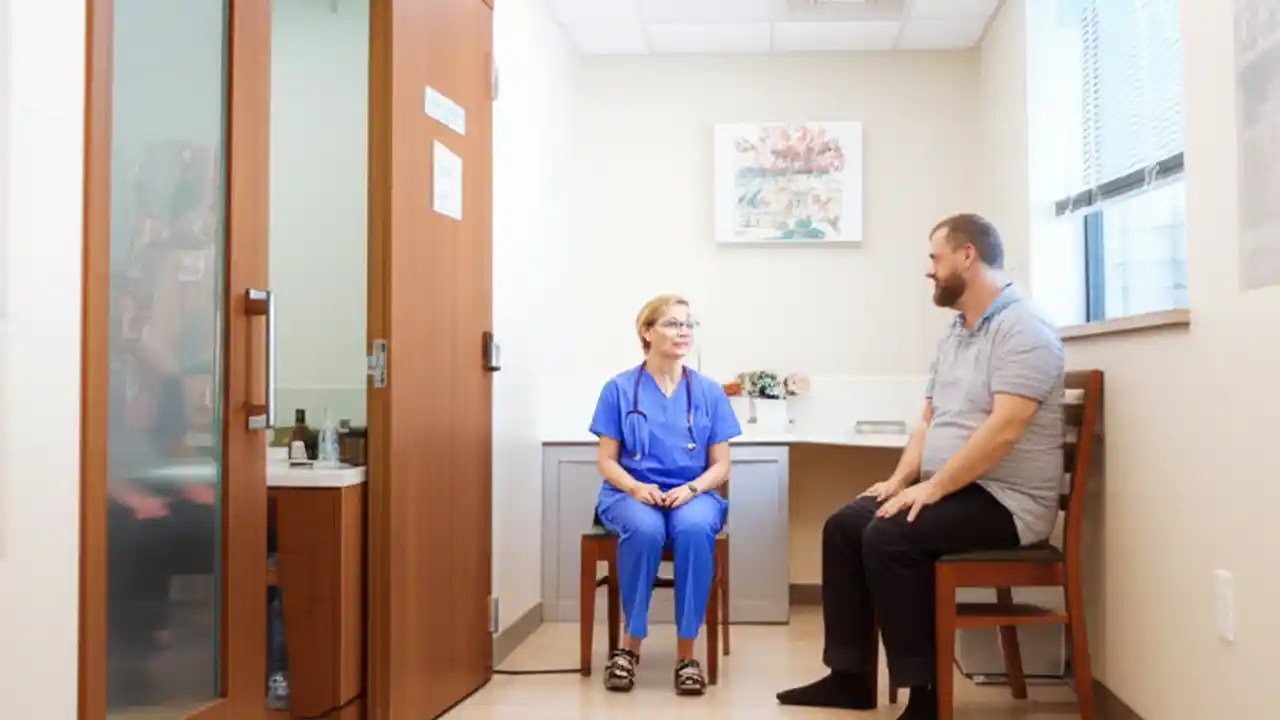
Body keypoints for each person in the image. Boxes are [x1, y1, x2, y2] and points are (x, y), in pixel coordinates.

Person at [776, 214, 1065, 720]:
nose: (929, 270)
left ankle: (925, 695)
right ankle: (850, 677)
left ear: (967, 256)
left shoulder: (1024, 329)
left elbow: (1006, 429)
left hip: (1007, 501)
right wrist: (901, 480)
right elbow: (927, 422)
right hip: (958, 488)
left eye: (935, 258)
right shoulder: (957, 333)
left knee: (890, 535)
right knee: (846, 524)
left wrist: (930, 492)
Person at [589, 294, 742, 696]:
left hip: (694, 493)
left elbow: (721, 464)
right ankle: (629, 647)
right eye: (673, 323)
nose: (683, 331)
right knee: (644, 530)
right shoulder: (619, 389)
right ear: (646, 331)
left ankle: (686, 654)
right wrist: (637, 487)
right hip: (630, 491)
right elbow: (606, 461)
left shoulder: (709, 392)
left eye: (688, 324)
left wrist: (692, 489)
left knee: (693, 531)